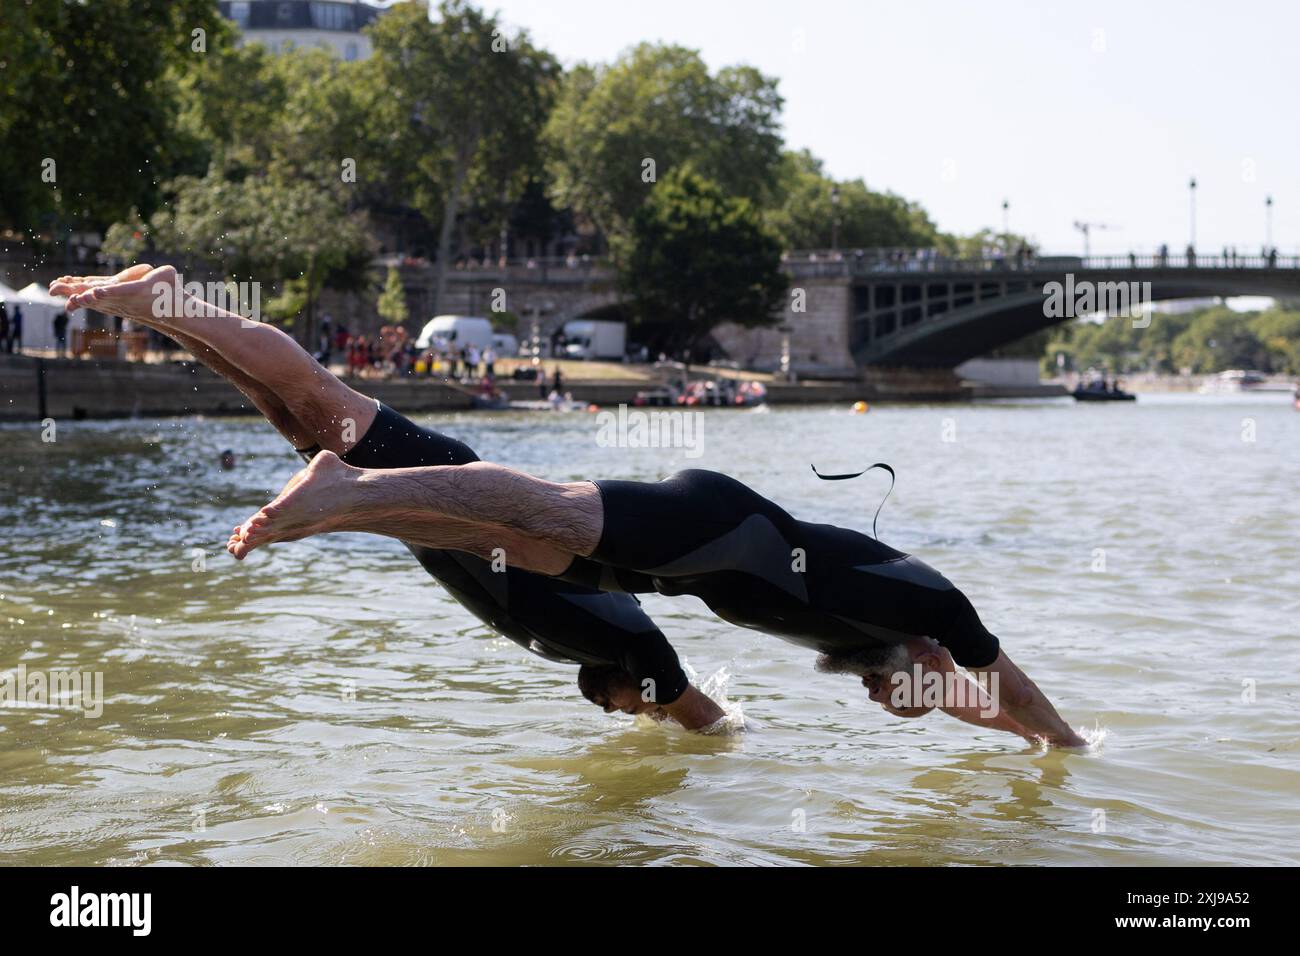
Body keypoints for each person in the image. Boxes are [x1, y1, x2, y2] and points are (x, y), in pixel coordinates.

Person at [51, 264, 725, 733]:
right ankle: (175, 302)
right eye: (627, 709)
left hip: (424, 509)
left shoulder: (602, 641)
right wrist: (698, 721)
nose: (624, 713)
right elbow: (711, 724)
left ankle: (163, 310)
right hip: (455, 490)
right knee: (317, 396)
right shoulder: (644, 654)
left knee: (284, 409)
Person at [224, 445, 1084, 746]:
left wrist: (1032, 750)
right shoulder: (937, 611)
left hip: (685, 577)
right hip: (716, 525)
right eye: (893, 695)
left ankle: (351, 516)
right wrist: (1070, 743)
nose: (871, 692)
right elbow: (1009, 690)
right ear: (928, 665)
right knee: (545, 510)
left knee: (514, 548)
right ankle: (352, 483)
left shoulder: (877, 647)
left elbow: (985, 712)